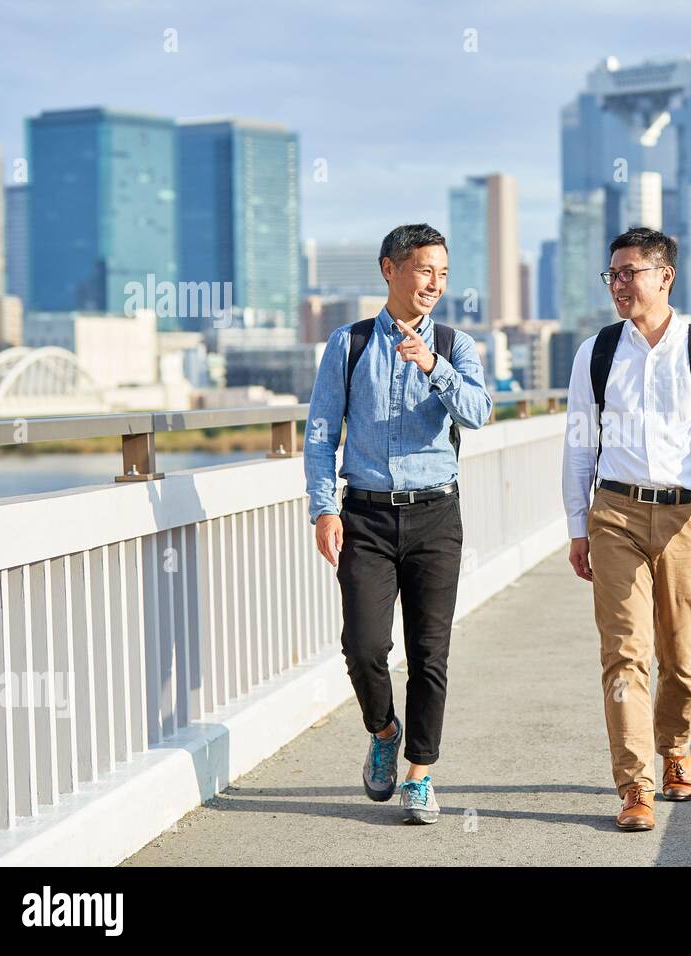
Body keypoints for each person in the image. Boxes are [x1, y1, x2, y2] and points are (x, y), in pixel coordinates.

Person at [304, 223, 492, 824]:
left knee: (429, 653)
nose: (434, 283)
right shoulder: (349, 344)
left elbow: (480, 412)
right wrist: (323, 506)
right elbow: (320, 432)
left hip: (437, 514)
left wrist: (433, 365)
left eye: (442, 272)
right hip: (366, 515)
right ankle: (384, 731)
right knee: (363, 647)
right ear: (390, 270)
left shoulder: (458, 346)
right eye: (423, 270)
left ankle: (419, 774)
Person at [561, 227, 691, 831]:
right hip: (614, 514)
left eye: (631, 272)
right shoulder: (595, 351)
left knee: (684, 655)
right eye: (612, 274)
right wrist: (577, 526)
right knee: (625, 654)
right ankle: (634, 785)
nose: (619, 284)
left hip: (687, 516)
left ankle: (675, 747)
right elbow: (577, 445)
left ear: (665, 276)